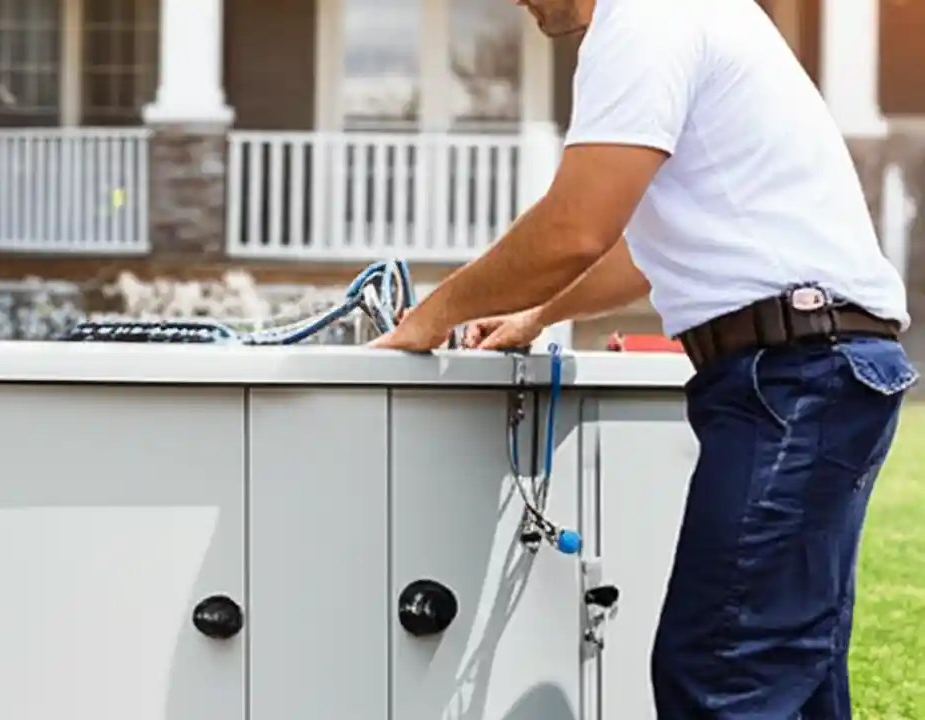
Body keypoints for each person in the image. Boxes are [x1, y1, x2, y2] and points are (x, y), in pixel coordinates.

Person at [369, 0, 919, 717]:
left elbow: (575, 227)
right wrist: (537, 315)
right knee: (791, 672)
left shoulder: (644, 19)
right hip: (821, 367)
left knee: (722, 672)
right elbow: (648, 245)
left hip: (796, 376)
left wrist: (430, 318)